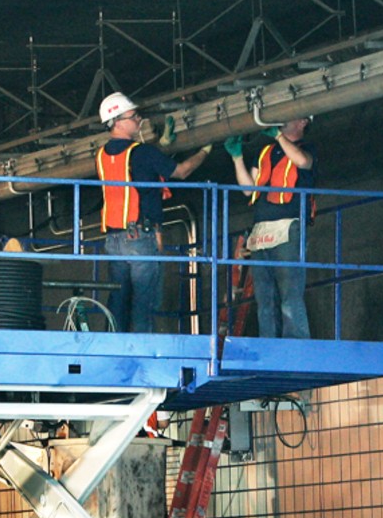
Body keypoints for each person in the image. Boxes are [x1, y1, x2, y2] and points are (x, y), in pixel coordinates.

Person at [95, 91, 212, 333]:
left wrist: (162, 145)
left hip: (113, 239)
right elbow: (180, 171)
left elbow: (140, 168)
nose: (139, 119)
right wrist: (205, 151)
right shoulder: (142, 152)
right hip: (139, 236)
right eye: (133, 116)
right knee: (144, 301)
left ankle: (113, 345)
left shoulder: (101, 155)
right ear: (118, 121)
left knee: (118, 300)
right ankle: (143, 349)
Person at [225, 116, 316, 339]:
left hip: (288, 228)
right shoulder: (266, 151)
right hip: (262, 230)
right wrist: (237, 158)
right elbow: (249, 189)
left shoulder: (306, 148)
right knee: (264, 297)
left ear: (303, 122)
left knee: (289, 293)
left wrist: (279, 136)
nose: (282, 119)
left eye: (290, 116)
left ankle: (295, 343)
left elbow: (302, 162)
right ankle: (269, 342)